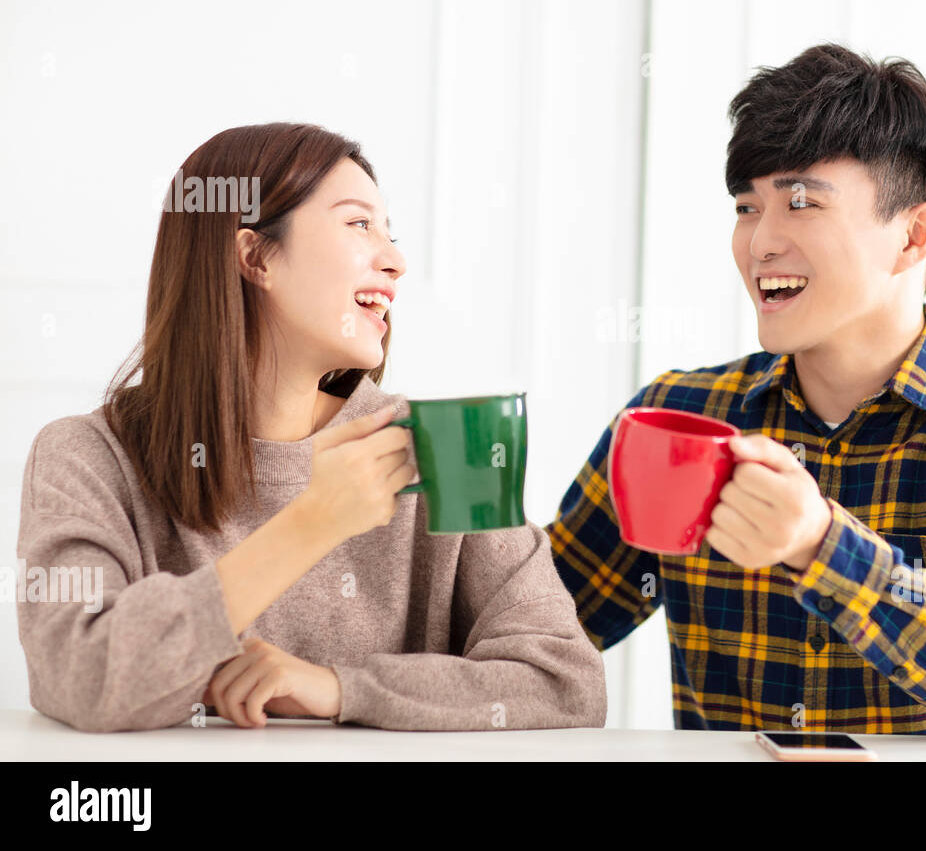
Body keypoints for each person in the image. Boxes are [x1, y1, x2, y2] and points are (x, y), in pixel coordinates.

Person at [546, 43, 926, 739]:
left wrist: (821, 546)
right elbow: (534, 633)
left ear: (913, 236)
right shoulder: (681, 418)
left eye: (802, 202)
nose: (759, 243)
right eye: (747, 207)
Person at [16, 122, 605, 732]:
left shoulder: (449, 448)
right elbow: (78, 676)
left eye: (390, 233)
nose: (396, 261)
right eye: (359, 225)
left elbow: (565, 683)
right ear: (255, 256)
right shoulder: (88, 456)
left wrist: (339, 690)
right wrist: (312, 524)